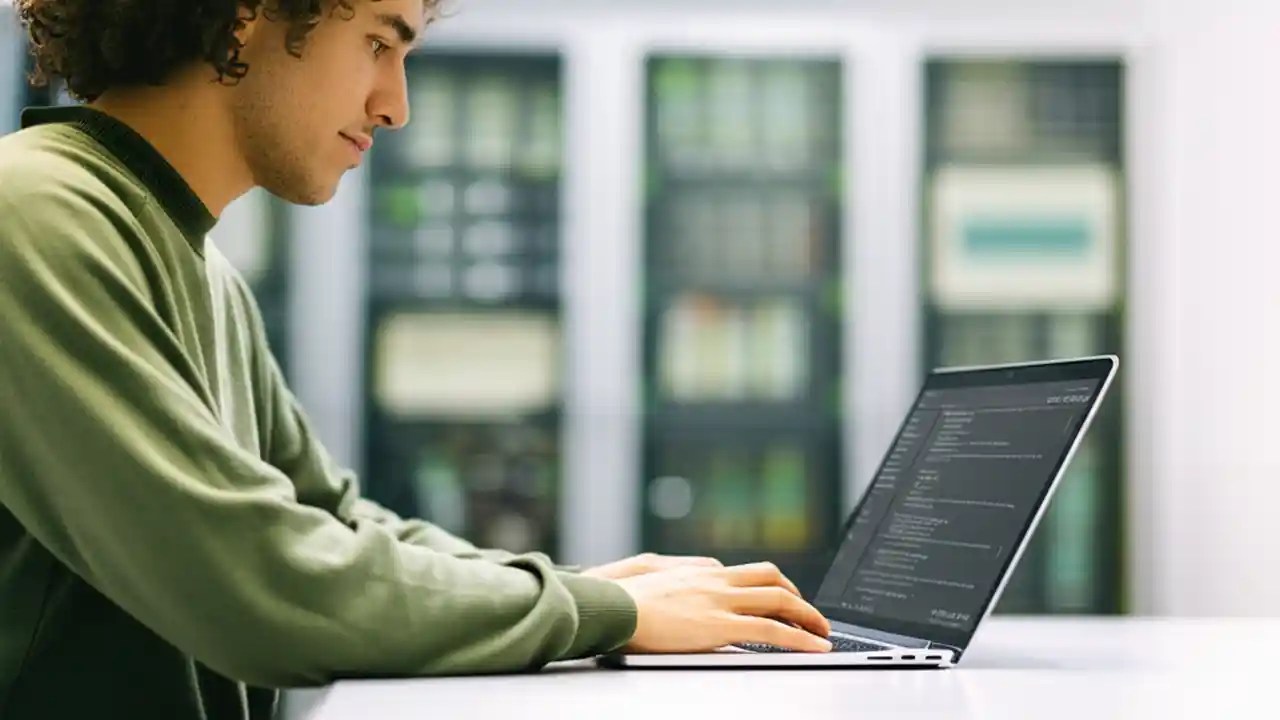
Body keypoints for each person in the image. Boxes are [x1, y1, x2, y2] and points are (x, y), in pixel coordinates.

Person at [0, 1, 833, 717]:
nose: (395, 105)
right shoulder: (34, 213)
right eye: (377, 43)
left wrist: (594, 591)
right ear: (248, 17)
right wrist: (599, 609)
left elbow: (333, 524)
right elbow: (258, 582)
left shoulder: (201, 266)